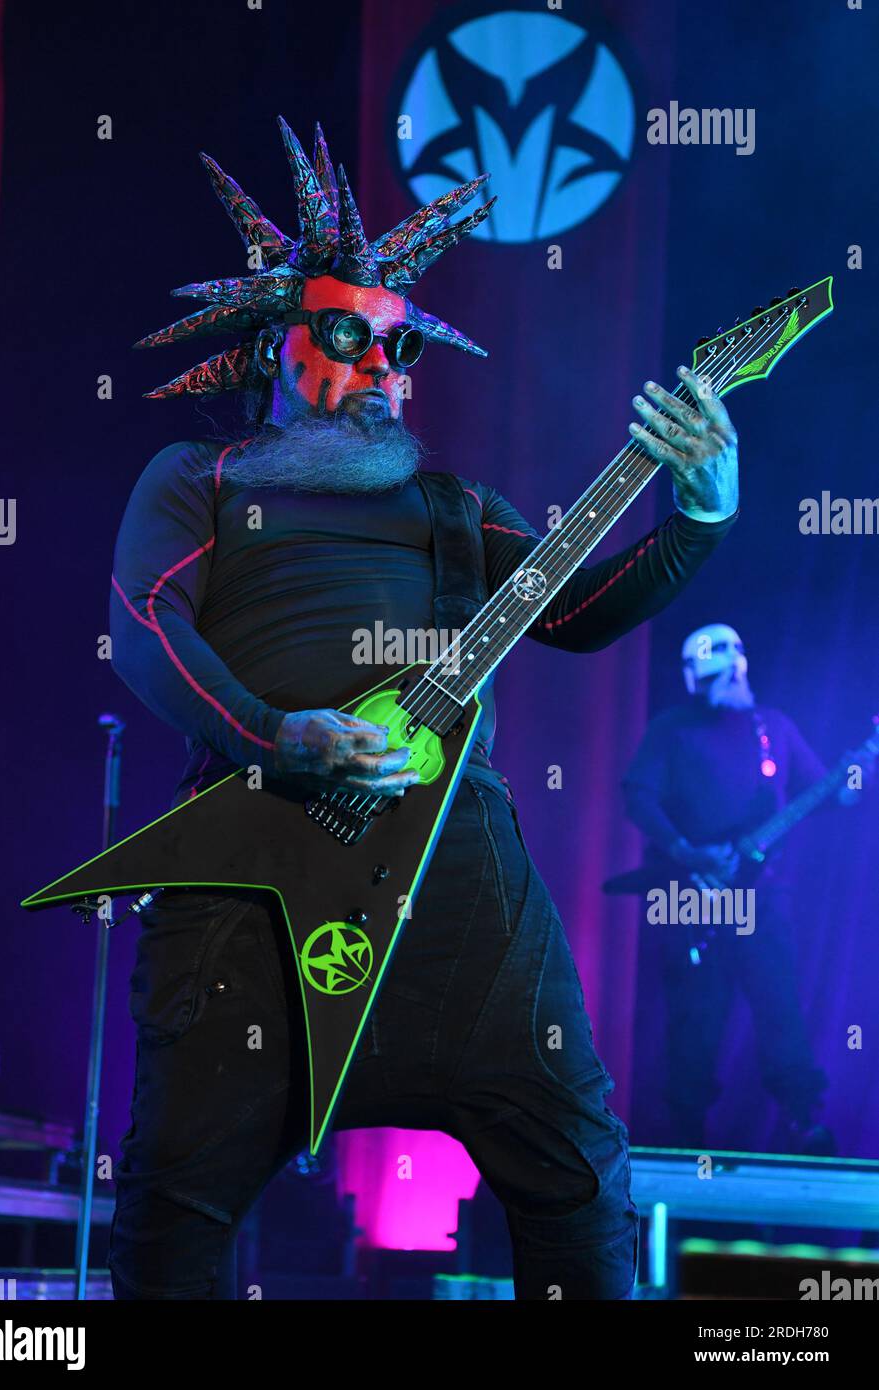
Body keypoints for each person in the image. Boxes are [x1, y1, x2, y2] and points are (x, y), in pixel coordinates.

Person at [106, 118, 739, 1300]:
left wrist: (703, 512)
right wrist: (272, 734)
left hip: (461, 891)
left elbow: (580, 604)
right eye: (350, 335)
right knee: (175, 1206)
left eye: (399, 352)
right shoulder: (200, 480)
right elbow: (147, 623)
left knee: (579, 1182)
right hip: (249, 880)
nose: (382, 372)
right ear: (273, 348)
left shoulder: (454, 505)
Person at [622, 623, 861, 1154]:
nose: (729, 670)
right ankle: (685, 1140)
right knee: (695, 1018)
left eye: (734, 660)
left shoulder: (771, 727)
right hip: (689, 894)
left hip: (763, 897)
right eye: (716, 665)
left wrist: (857, 775)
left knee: (780, 1006)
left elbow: (825, 794)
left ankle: (804, 1121)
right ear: (693, 676)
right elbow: (638, 795)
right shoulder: (672, 729)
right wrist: (687, 851)